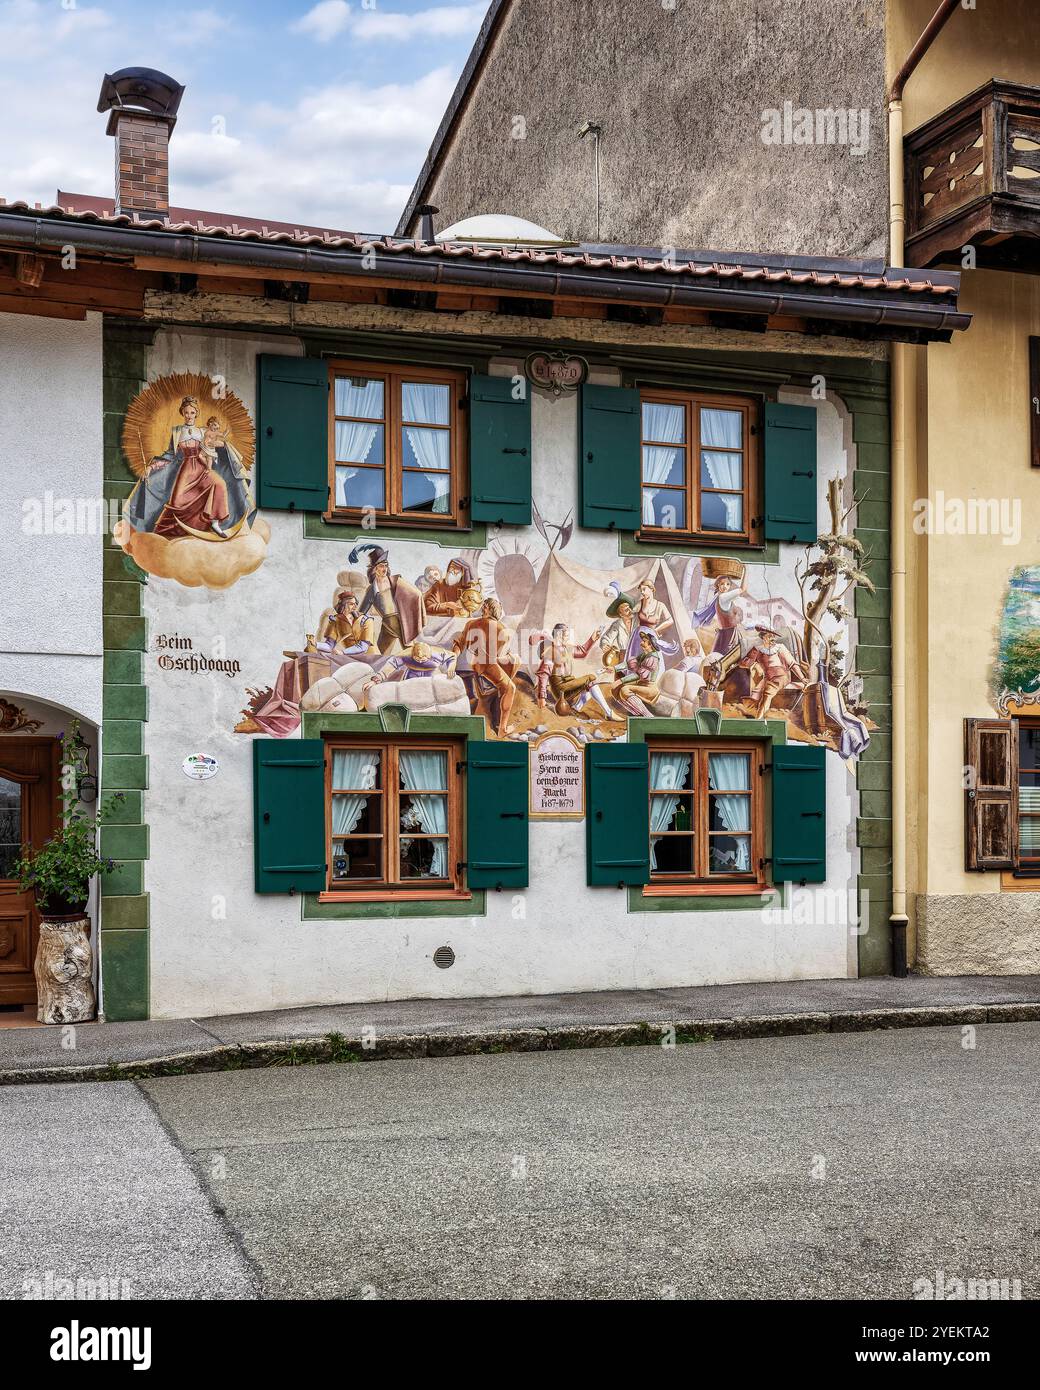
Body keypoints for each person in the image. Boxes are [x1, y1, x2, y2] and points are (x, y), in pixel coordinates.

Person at [453, 598, 519, 736]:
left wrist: (453, 657)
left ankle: (493, 701)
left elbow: (459, 643)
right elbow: (499, 654)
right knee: (511, 687)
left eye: (484, 606)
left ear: (487, 608)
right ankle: (503, 729)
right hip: (487, 665)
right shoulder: (501, 628)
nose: (482, 608)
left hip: (476, 664)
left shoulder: (471, 623)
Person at [353, 544, 426, 654]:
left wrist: (411, 612)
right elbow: (362, 611)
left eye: (386, 566)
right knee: (381, 654)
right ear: (374, 569)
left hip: (400, 622)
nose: (384, 569)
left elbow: (416, 594)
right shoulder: (372, 589)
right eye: (381, 566)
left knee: (410, 651)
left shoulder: (395, 581)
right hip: (386, 624)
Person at [545, 623, 615, 721]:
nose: (567, 638)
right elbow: (543, 673)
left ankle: (577, 708)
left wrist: (592, 638)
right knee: (590, 678)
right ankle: (609, 713)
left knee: (590, 686)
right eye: (566, 636)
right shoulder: (550, 651)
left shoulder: (566, 648)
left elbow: (582, 652)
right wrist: (541, 696)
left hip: (568, 684)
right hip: (560, 689)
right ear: (559, 635)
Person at [737, 624, 808, 719]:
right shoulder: (757, 649)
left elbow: (792, 664)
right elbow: (745, 664)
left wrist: (802, 678)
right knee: (755, 694)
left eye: (773, 636)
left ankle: (759, 719)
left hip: (781, 677)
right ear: (763, 637)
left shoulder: (780, 648)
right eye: (770, 636)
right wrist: (747, 660)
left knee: (767, 692)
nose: (773, 638)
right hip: (767, 678)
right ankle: (754, 714)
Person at [363, 641, 457, 705]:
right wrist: (375, 681)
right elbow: (388, 667)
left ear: (429, 656)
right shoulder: (405, 655)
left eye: (423, 659)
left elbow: (452, 656)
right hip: (411, 676)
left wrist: (451, 668)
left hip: (431, 675)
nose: (420, 662)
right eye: (417, 659)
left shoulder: (437, 653)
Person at [611, 627, 665, 717]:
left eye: (644, 641)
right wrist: (614, 668)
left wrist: (621, 680)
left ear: (650, 645)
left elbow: (639, 675)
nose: (641, 643)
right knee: (615, 688)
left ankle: (648, 715)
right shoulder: (645, 655)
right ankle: (636, 714)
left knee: (625, 689)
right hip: (641, 684)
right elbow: (629, 664)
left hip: (650, 688)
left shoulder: (653, 658)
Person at [692, 573, 748, 655]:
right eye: (722, 584)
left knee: (717, 657)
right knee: (728, 658)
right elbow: (743, 589)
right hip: (729, 634)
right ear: (718, 585)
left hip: (723, 633)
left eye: (728, 584)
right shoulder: (723, 597)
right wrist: (746, 570)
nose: (725, 586)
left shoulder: (718, 597)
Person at [315, 590, 375, 655]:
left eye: (355, 604)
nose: (355, 607)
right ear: (343, 605)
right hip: (349, 657)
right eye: (351, 604)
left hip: (369, 657)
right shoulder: (335, 620)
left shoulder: (366, 620)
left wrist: (343, 652)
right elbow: (329, 645)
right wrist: (315, 644)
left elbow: (363, 647)